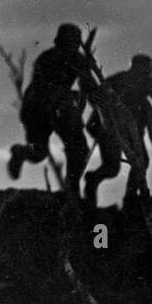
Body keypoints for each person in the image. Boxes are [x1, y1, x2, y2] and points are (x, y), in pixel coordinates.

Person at [8, 23, 94, 195]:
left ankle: (71, 190)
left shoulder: (78, 60)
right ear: (59, 43)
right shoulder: (47, 59)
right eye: (67, 43)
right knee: (39, 152)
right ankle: (21, 153)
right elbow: (43, 90)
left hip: (57, 107)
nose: (70, 48)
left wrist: (82, 103)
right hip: (37, 109)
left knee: (77, 148)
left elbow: (88, 87)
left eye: (73, 44)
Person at [82, 53, 152, 208]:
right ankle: (93, 183)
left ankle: (130, 199)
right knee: (112, 168)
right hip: (109, 130)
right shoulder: (118, 80)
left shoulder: (147, 83)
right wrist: (107, 110)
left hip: (131, 132)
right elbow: (95, 97)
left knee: (141, 163)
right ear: (134, 68)